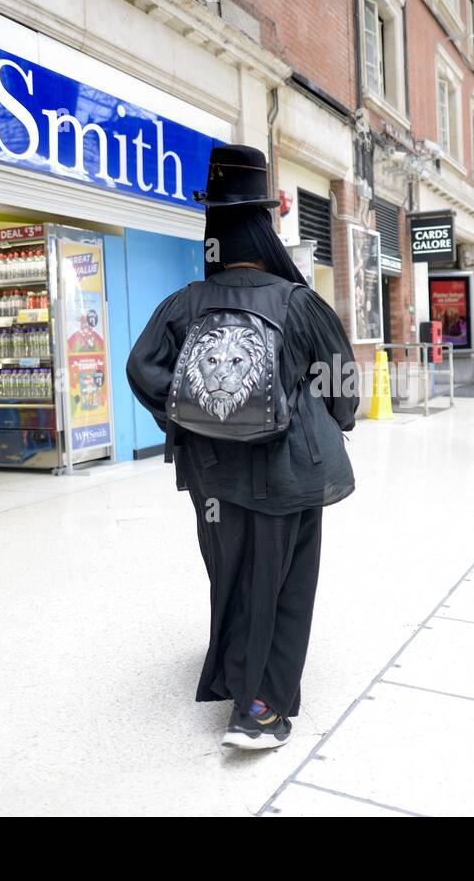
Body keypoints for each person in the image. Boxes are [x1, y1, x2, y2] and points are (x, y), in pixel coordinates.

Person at [126, 144, 359, 749]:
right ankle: (259, 711)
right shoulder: (297, 300)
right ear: (266, 224)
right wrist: (326, 414)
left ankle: (234, 674)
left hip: (212, 478)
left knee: (230, 572)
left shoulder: (185, 302)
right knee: (283, 584)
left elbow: (141, 368)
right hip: (289, 474)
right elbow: (342, 381)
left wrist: (194, 420)